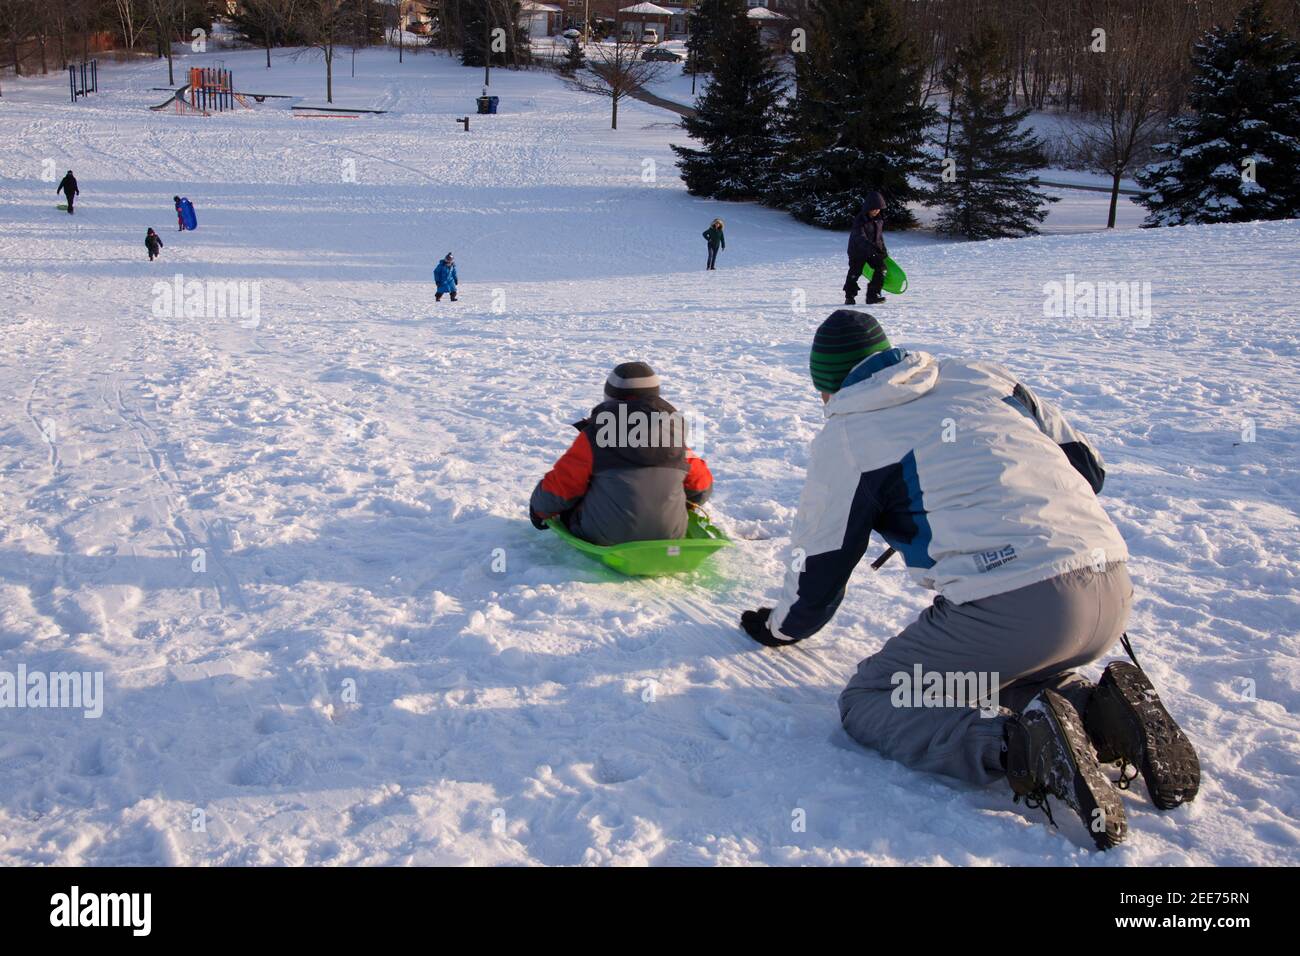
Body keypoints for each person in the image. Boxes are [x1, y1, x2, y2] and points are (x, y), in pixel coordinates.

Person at [739, 310, 1200, 849]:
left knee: (870, 699)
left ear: (827, 385)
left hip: (1016, 607)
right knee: (986, 674)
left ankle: (1020, 746)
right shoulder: (982, 375)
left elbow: (820, 567)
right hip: (1111, 583)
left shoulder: (848, 435)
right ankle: (1099, 711)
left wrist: (780, 628)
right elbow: (1088, 469)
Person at [529, 361, 713, 546]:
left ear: (610, 398)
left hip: (605, 536)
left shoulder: (596, 435)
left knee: (575, 499)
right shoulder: (674, 436)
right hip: (669, 535)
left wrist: (538, 510)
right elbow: (701, 487)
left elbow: (564, 483)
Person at [845, 191, 887, 305]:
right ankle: (849, 296)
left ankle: (873, 296)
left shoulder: (879, 220)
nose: (876, 211)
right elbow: (860, 238)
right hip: (857, 251)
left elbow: (879, 237)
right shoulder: (860, 220)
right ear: (868, 207)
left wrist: (883, 251)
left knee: (882, 269)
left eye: (878, 209)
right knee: (855, 273)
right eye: (874, 208)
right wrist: (873, 250)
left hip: (871, 250)